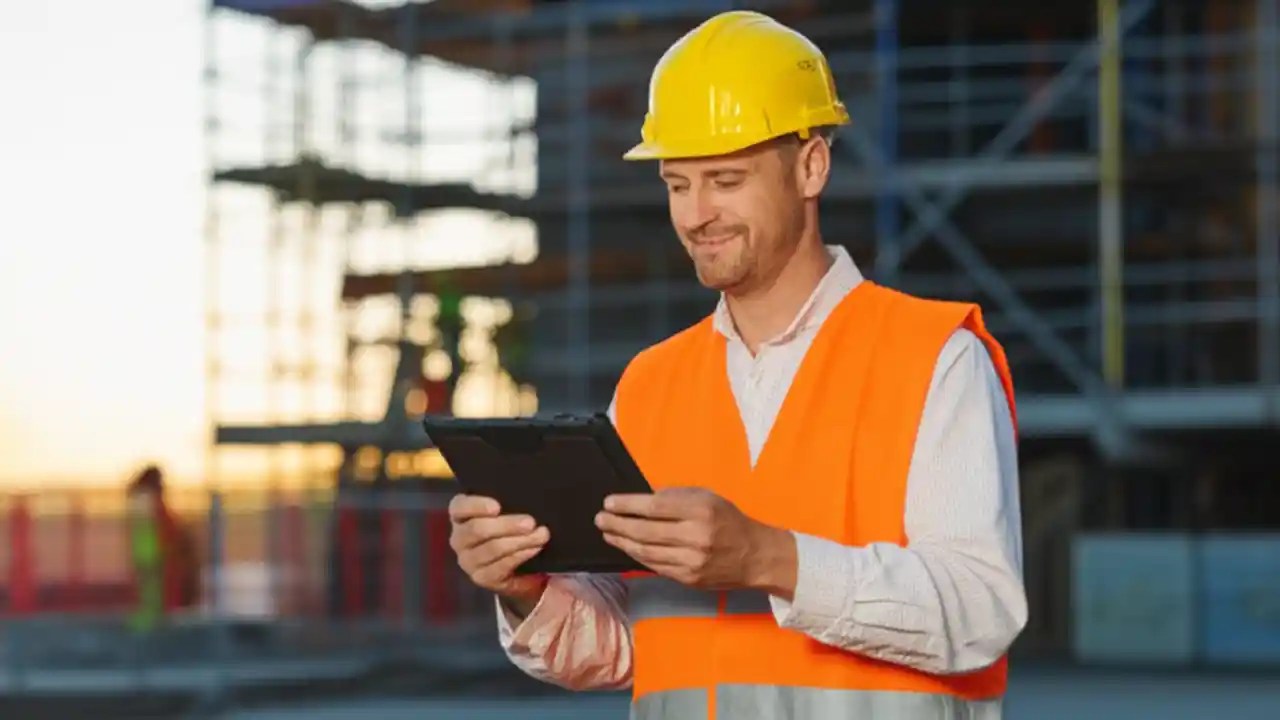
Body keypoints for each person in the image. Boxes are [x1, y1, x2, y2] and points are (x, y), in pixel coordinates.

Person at [449, 10, 1026, 719]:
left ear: (811, 166)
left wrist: (768, 559)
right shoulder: (653, 384)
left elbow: (981, 611)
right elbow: (633, 647)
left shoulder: (935, 358)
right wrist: (524, 586)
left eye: (725, 179)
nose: (696, 215)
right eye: (677, 184)